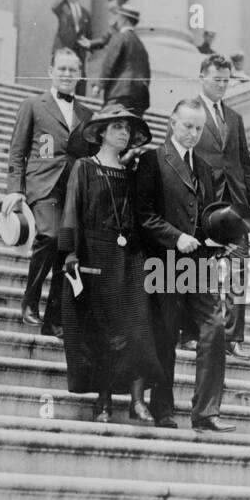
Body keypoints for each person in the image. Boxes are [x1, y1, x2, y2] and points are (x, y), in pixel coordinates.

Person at [59, 103, 162, 423]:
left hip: (131, 258)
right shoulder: (84, 168)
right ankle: (102, 403)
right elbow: (71, 213)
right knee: (102, 332)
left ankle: (137, 401)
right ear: (101, 132)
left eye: (128, 129)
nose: (124, 133)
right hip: (96, 255)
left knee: (139, 329)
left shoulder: (133, 173)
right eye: (117, 127)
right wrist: (70, 254)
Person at [136, 99, 234, 432]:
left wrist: (220, 235)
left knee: (215, 327)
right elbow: (143, 216)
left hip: (199, 264)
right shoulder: (152, 160)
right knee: (165, 334)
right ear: (172, 123)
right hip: (164, 260)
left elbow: (207, 216)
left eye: (198, 127)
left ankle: (206, 412)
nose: (192, 133)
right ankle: (162, 409)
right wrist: (176, 237)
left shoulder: (205, 168)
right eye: (187, 126)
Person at [3, 48, 93, 337]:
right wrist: (14, 190)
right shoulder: (33, 105)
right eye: (62, 69)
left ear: (79, 74)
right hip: (42, 186)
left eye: (72, 70)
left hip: (73, 190)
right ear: (51, 71)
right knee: (50, 237)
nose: (67, 75)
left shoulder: (86, 114)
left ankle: (54, 319)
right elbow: (17, 152)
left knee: (66, 250)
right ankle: (30, 301)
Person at [194, 54, 250, 362]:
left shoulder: (235, 118)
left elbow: (244, 163)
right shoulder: (189, 111)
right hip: (202, 200)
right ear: (202, 77)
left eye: (225, 80)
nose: (222, 85)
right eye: (216, 79)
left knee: (239, 268)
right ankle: (194, 332)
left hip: (235, 204)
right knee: (198, 268)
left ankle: (234, 337)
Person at [96, 2, 151, 114]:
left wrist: (99, 86)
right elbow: (147, 73)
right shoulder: (141, 45)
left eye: (118, 16)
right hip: (140, 96)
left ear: (124, 19)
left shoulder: (120, 37)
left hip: (119, 93)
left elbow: (109, 63)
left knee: (109, 123)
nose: (116, 19)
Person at [50, 0, 94, 94]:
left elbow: (89, 31)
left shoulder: (84, 12)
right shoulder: (63, 8)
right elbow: (54, 6)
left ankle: (80, 99)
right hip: (63, 46)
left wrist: (89, 50)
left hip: (79, 48)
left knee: (80, 74)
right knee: (61, 72)